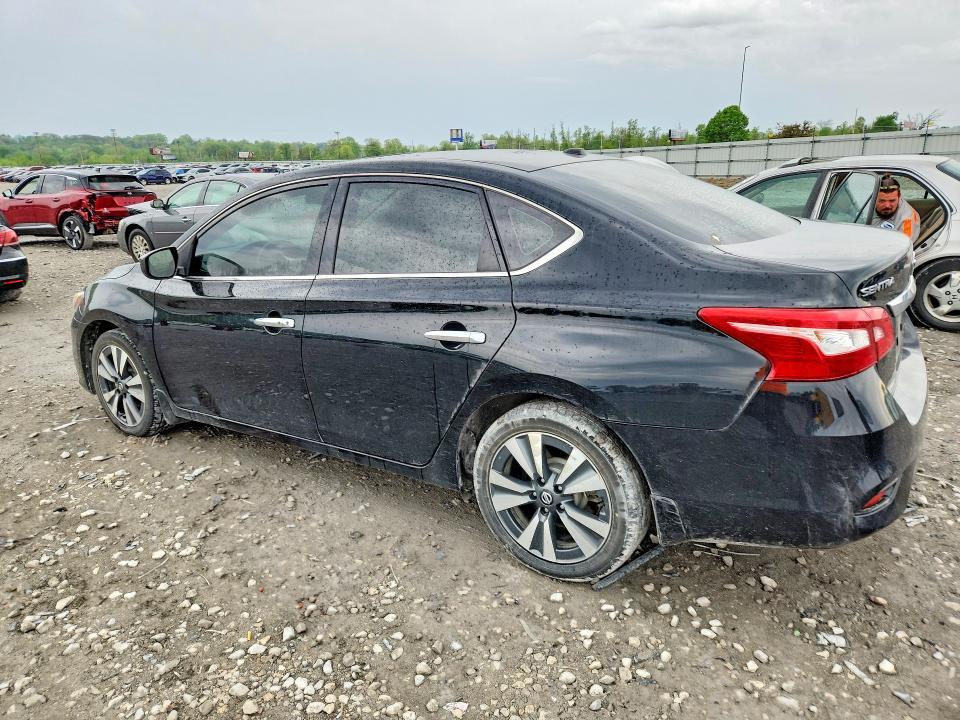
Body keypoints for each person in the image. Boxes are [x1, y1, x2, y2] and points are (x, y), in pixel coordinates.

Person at [871, 174, 920, 243]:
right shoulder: (868, 201)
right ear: (874, 197)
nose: (887, 205)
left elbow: (903, 249)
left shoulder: (907, 219)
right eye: (882, 201)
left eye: (892, 201)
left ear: (899, 196)